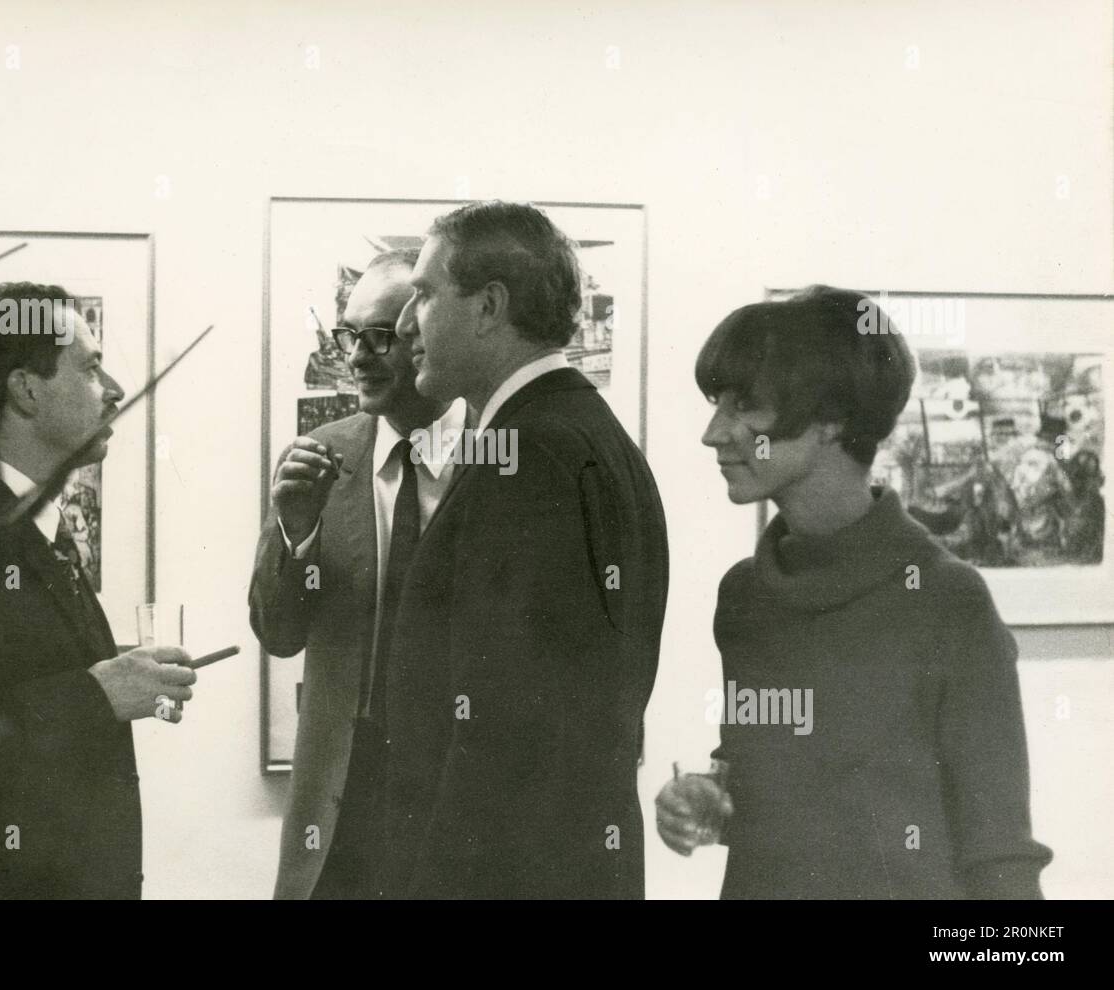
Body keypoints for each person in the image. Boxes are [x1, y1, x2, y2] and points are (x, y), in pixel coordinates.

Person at [656, 285, 1052, 898]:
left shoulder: (947, 601)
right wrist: (712, 794)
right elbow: (786, 778)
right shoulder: (746, 595)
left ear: (831, 420)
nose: (714, 433)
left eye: (745, 406)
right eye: (718, 403)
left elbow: (1000, 854)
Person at [0, 282, 196, 899]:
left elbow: (4, 670)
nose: (115, 391)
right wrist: (99, 692)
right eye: (91, 367)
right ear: (25, 390)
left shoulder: (20, 524)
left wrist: (126, 676)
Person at [388, 201, 669, 898]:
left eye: (423, 295)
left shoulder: (532, 454)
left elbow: (502, 737)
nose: (403, 324)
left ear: (488, 307)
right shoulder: (579, 433)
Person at [251, 250, 467, 899]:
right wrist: (295, 532)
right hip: (342, 801)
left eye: (382, 337)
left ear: (431, 337)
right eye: (351, 334)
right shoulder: (321, 457)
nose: (357, 356)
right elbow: (278, 632)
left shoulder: (502, 456)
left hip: (454, 792)